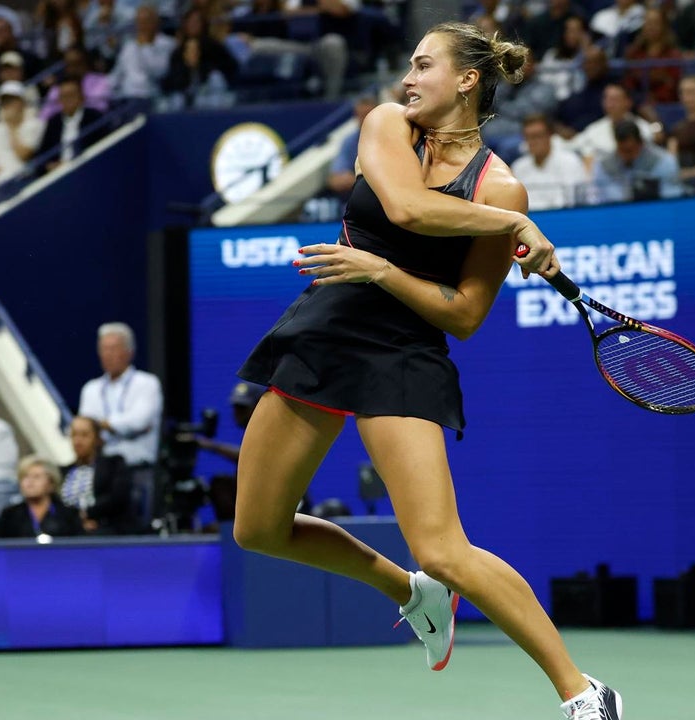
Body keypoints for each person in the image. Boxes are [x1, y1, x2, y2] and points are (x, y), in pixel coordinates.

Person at [232, 22, 620, 720]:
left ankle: (583, 691)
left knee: (443, 547)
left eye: (422, 65)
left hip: (402, 355)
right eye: (409, 66)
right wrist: (508, 230)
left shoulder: (500, 189)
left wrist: (388, 267)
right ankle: (410, 594)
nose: (407, 79)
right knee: (258, 529)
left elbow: (465, 315)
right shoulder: (388, 125)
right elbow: (407, 206)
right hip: (325, 334)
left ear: (468, 80)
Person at [78, 322, 162, 467]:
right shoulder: (91, 389)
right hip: (100, 469)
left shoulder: (147, 383)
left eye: (113, 349)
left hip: (137, 467)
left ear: (129, 352)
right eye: (103, 349)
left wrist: (102, 425)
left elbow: (139, 422)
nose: (107, 355)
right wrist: (120, 426)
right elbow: (86, 429)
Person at [61, 415, 131, 534]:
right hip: (69, 528)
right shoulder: (63, 471)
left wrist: (87, 514)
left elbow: (117, 498)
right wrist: (78, 522)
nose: (78, 441)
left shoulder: (113, 464)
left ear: (98, 439)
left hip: (105, 526)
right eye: (74, 435)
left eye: (84, 435)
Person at [510, 113, 589, 210]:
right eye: (528, 137)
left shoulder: (570, 162)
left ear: (549, 136)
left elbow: (570, 201)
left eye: (537, 136)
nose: (532, 142)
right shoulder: (518, 167)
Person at [593, 118, 683, 202]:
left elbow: (672, 195)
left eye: (629, 150)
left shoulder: (663, 161)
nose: (625, 155)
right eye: (621, 150)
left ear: (641, 144)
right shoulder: (604, 165)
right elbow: (598, 197)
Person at [0, 455, 83, 538]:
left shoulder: (69, 515)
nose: (30, 482)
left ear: (51, 483)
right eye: (25, 477)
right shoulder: (9, 515)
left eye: (36, 477)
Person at [35, 74, 103, 174]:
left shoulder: (93, 117)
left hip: (89, 169)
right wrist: (49, 166)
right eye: (64, 96)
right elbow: (42, 156)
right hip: (60, 175)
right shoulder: (54, 123)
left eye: (71, 95)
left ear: (81, 97)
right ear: (59, 100)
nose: (68, 100)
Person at [327, 95, 378, 199]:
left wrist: (359, 179)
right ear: (356, 116)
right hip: (358, 202)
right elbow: (334, 180)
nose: (365, 119)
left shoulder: (390, 136)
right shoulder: (349, 142)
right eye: (362, 115)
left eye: (369, 114)